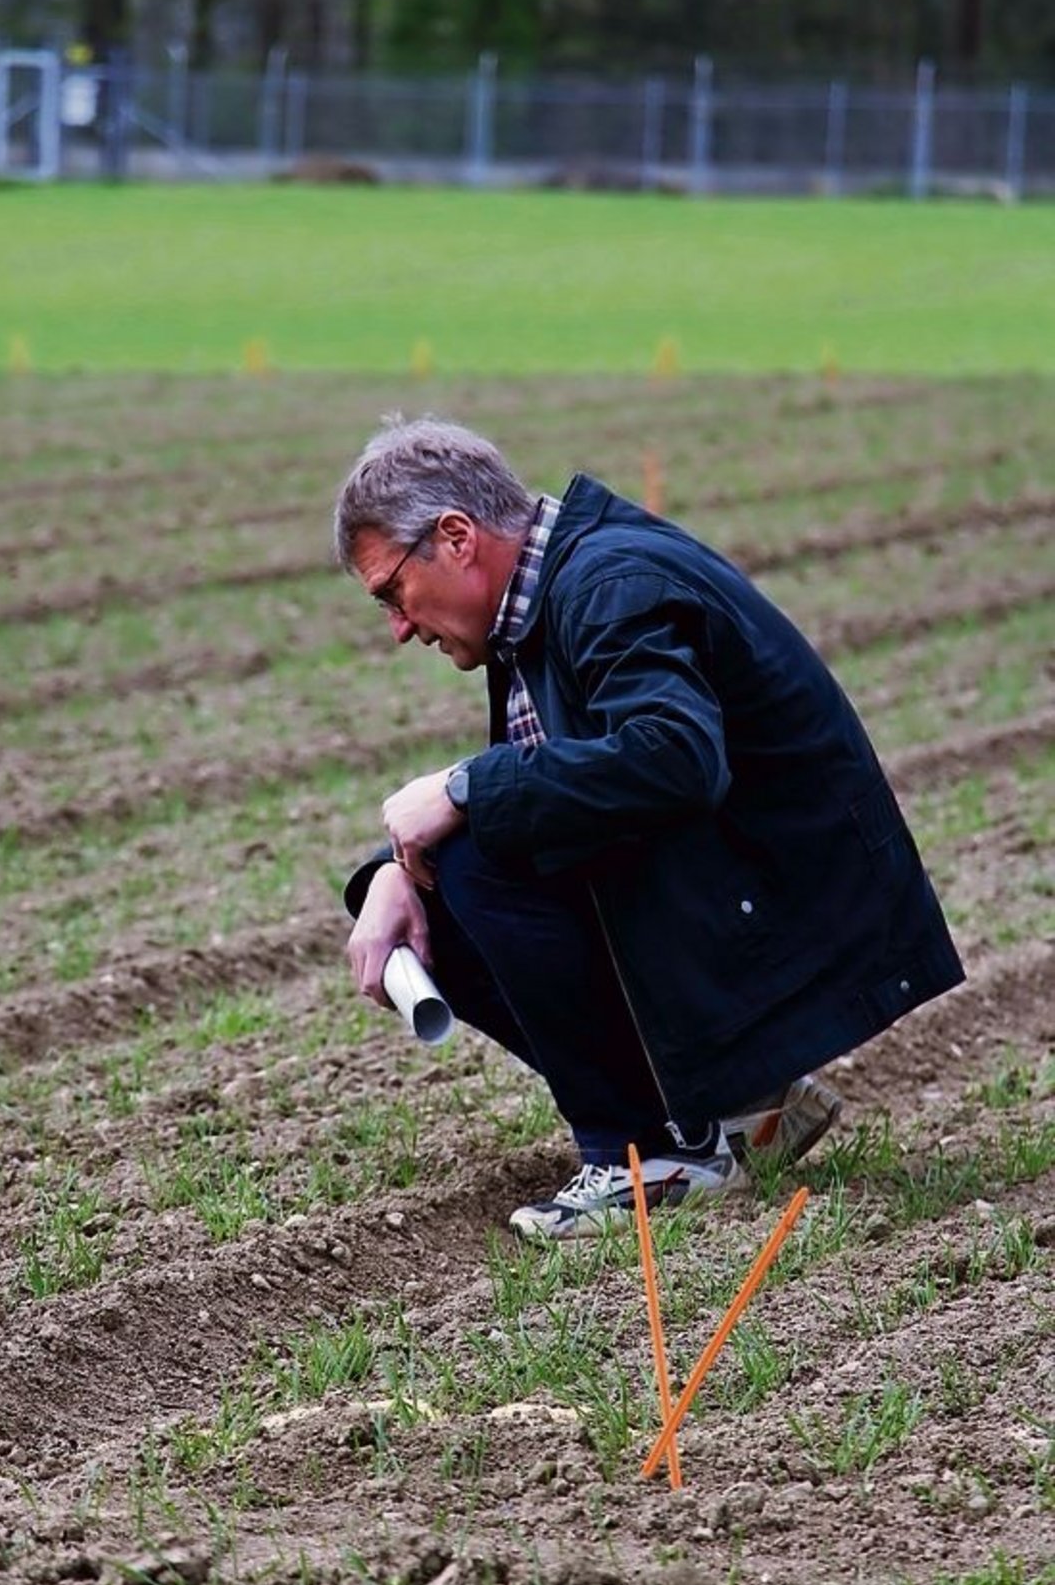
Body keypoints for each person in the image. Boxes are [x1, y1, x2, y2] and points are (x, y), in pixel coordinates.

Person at [336, 416, 964, 1241]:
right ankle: (737, 1109)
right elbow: (560, 778)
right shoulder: (543, 598)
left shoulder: (608, 585)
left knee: (481, 855)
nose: (398, 627)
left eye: (391, 592)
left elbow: (675, 757)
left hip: (795, 912)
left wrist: (464, 789)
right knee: (459, 864)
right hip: (745, 897)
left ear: (456, 538)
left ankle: (656, 1150)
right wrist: (398, 873)